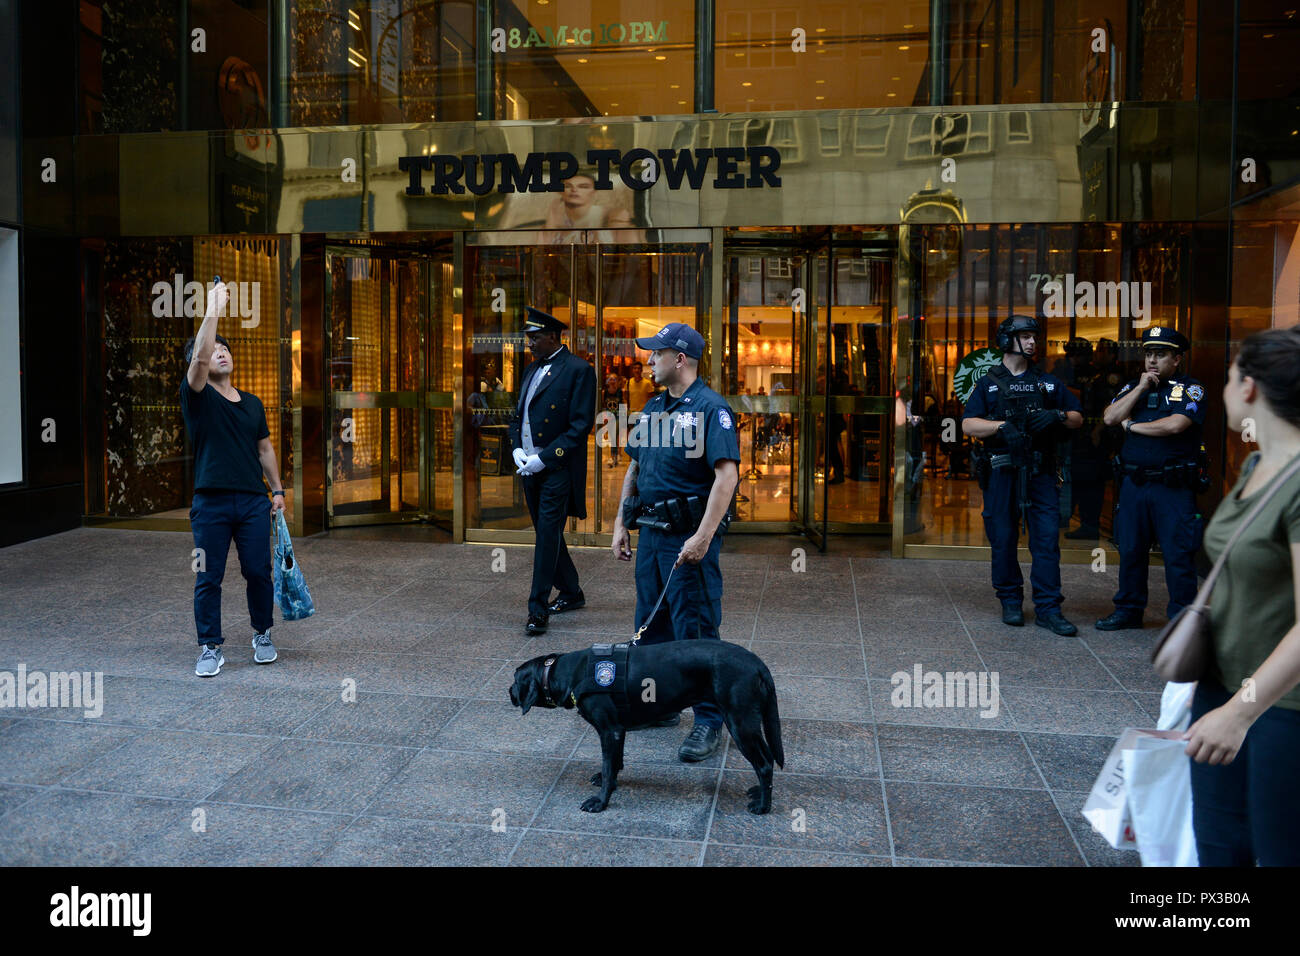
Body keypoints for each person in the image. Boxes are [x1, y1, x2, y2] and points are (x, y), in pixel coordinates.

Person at [1184, 325, 1300, 866]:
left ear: (1249, 386)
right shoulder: (1256, 466)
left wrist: (1241, 712)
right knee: (1220, 852)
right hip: (1221, 691)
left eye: (1229, 377)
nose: (1225, 389)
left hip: (1277, 709)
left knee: (1276, 853)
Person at [611, 322, 741, 761]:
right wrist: (619, 523)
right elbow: (635, 468)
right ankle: (658, 705)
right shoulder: (651, 408)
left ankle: (708, 720)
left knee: (696, 629)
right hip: (651, 535)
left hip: (687, 539)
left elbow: (727, 477)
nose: (648, 361)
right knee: (651, 625)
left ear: (679, 359)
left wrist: (703, 538)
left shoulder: (710, 409)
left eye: (655, 354)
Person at [181, 279, 285, 677]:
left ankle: (262, 633)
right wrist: (213, 308)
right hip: (210, 504)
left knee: (258, 571)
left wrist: (277, 490)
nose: (219, 353)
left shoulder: (253, 403)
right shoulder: (197, 396)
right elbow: (197, 362)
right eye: (212, 351)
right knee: (208, 575)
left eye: (225, 349)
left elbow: (264, 449)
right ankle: (210, 647)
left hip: (253, 502)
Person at [962, 315, 1084, 634]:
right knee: (1003, 538)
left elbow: (1077, 418)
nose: (1032, 342)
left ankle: (1048, 608)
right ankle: (1011, 601)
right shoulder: (989, 383)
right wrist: (1001, 426)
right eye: (1025, 336)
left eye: (1034, 336)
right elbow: (968, 423)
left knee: (1045, 541)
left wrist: (1055, 414)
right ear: (1007, 340)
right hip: (1002, 470)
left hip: (1040, 472)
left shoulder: (1046, 383)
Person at [1096, 327, 1208, 630]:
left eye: (1160, 354)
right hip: (1134, 484)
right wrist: (1139, 390)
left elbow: (1175, 425)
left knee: (1177, 556)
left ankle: (1182, 621)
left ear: (1177, 359)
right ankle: (1128, 611)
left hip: (1172, 487)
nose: (1152, 361)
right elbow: (1110, 417)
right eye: (1148, 354)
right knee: (1131, 551)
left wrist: (1132, 428)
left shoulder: (1191, 388)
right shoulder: (1135, 386)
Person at [508, 306, 597, 635]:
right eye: (528, 337)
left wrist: (544, 457)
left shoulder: (578, 370)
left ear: (552, 337)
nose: (528, 342)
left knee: (546, 537)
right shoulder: (530, 370)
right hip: (529, 468)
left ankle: (537, 608)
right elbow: (517, 416)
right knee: (549, 534)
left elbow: (579, 426)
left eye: (534, 337)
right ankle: (572, 592)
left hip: (557, 468)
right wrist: (517, 447)